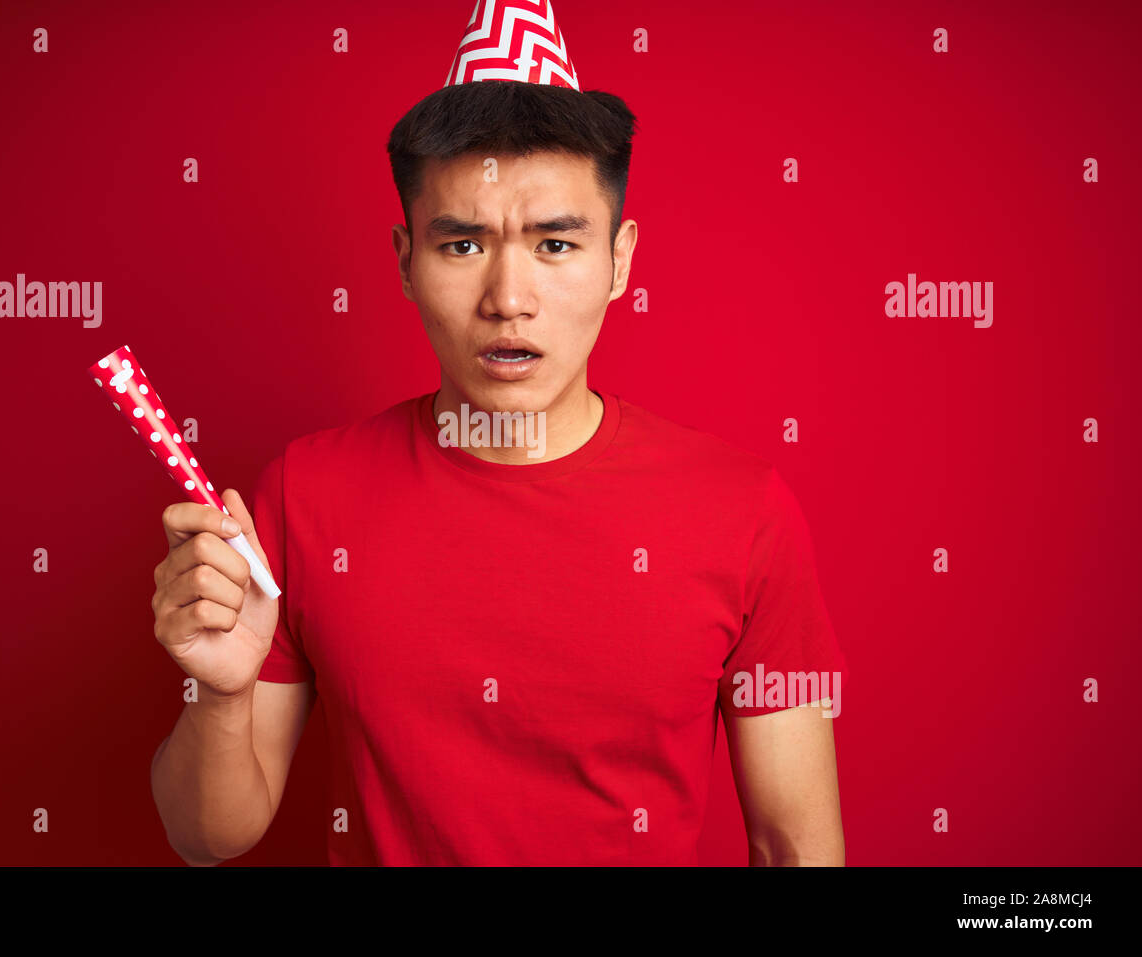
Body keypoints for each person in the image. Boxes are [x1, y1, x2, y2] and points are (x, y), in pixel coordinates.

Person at [150, 2, 847, 866]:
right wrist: (217, 697)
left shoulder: (745, 512)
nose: (508, 297)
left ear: (620, 260)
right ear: (405, 260)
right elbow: (206, 838)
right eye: (463, 245)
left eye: (555, 244)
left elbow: (794, 844)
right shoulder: (306, 494)